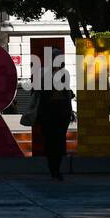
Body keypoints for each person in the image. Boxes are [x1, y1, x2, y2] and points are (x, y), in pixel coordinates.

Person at [32, 47, 74, 181]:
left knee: (59, 141)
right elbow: (36, 92)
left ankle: (56, 169)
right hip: (48, 112)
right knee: (51, 141)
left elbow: (67, 94)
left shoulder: (63, 74)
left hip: (61, 112)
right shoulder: (43, 73)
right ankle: (54, 169)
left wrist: (70, 110)